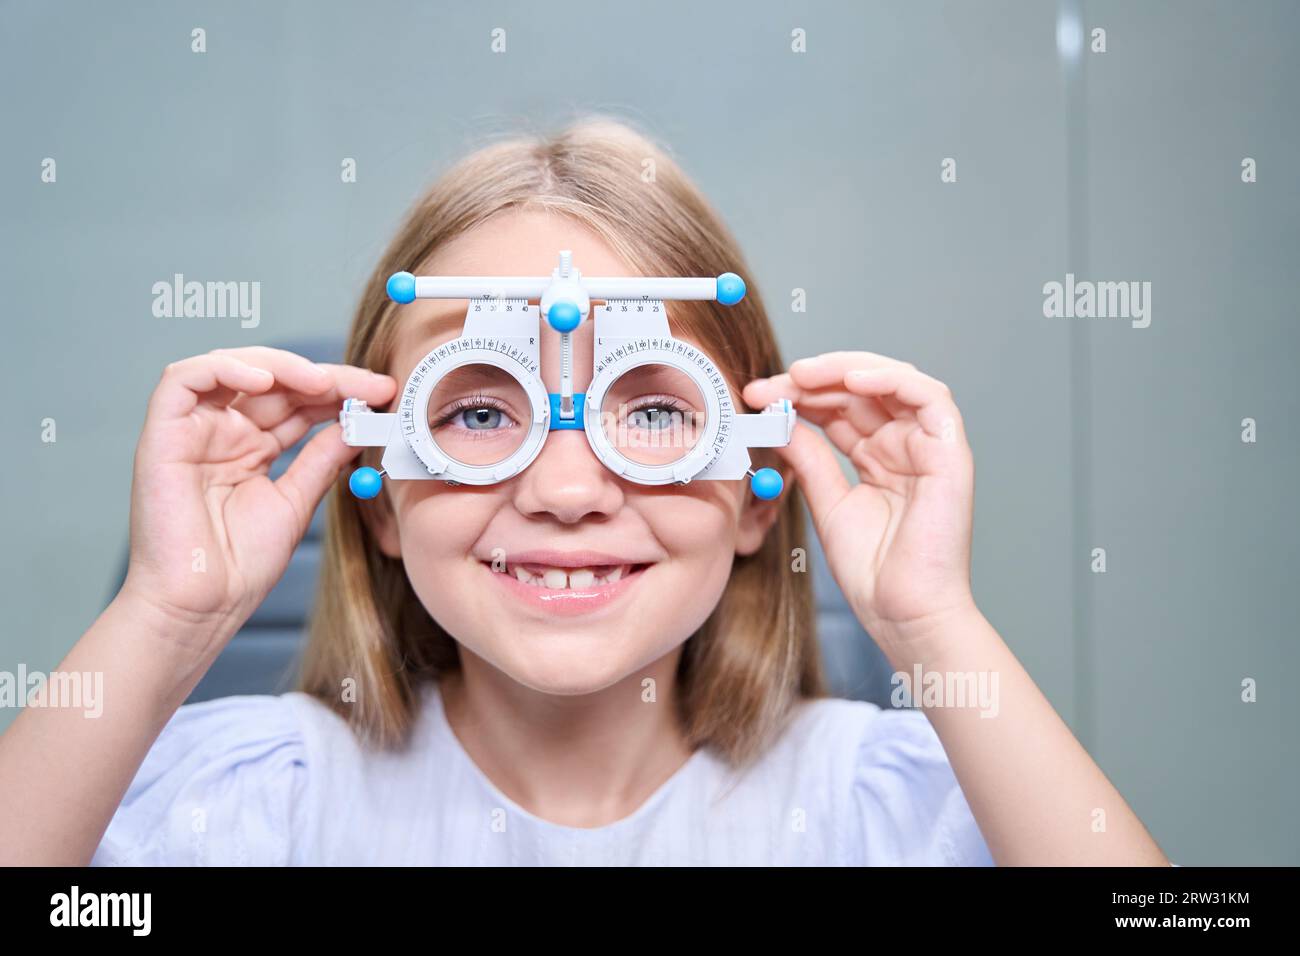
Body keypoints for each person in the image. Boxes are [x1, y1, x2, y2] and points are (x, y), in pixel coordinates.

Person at [0, 118, 1169, 865]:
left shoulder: (890, 811)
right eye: (477, 408)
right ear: (380, 495)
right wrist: (168, 614)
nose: (565, 485)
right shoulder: (250, 808)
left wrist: (933, 622)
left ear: (761, 485)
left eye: (655, 411)